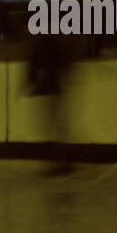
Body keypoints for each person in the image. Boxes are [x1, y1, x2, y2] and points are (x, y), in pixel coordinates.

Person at [26, 32, 75, 175]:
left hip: (50, 86)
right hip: (54, 85)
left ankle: (61, 161)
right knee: (57, 125)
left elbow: (36, 61)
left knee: (53, 125)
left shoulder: (45, 41)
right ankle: (63, 161)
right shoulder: (54, 40)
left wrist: (31, 79)